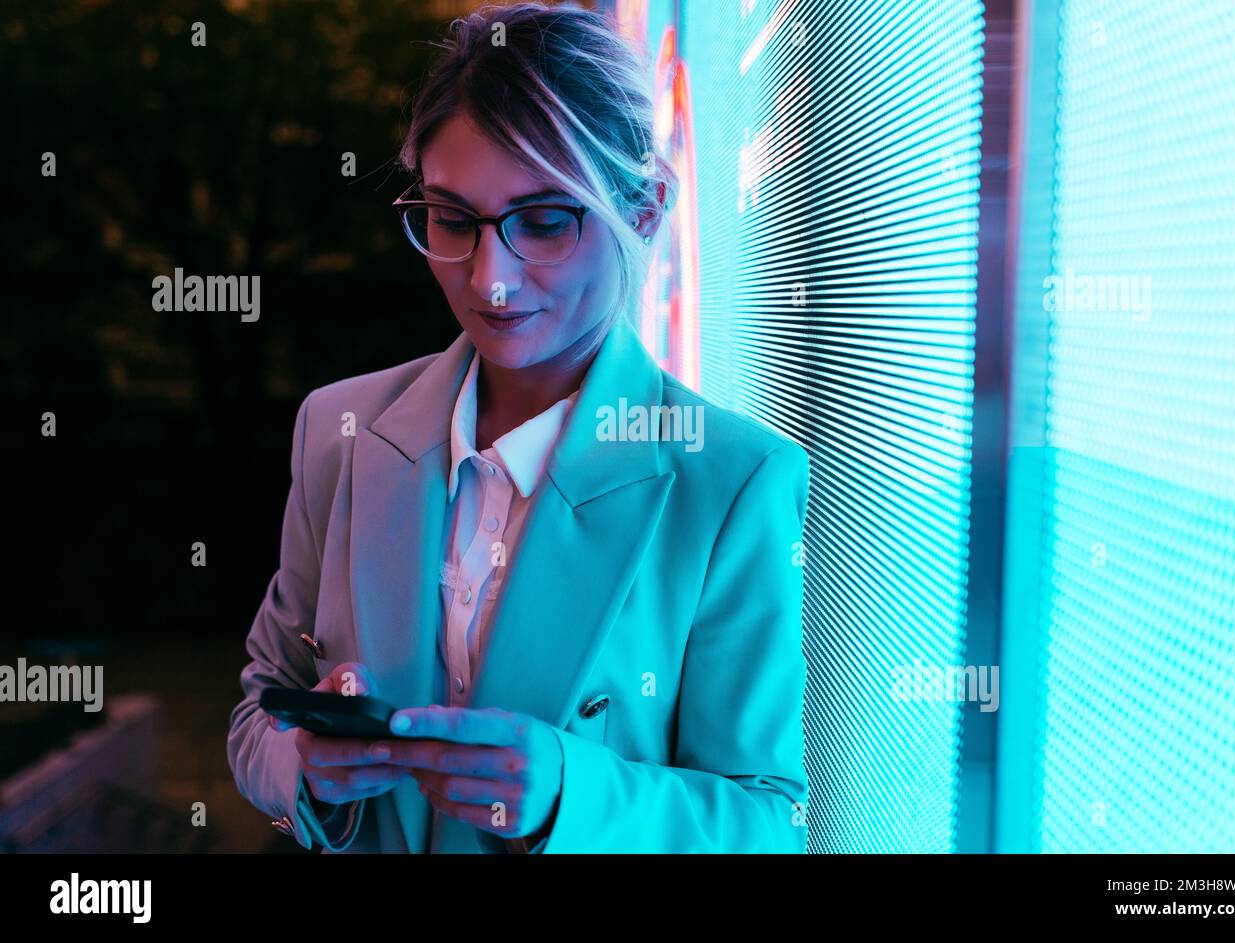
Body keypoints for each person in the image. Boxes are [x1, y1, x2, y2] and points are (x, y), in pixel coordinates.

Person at [227, 1, 811, 853]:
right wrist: (304, 768)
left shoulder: (730, 479)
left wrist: (571, 796)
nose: (491, 280)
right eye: (453, 220)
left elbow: (767, 821)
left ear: (644, 209)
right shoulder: (339, 430)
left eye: (543, 221)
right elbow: (257, 709)